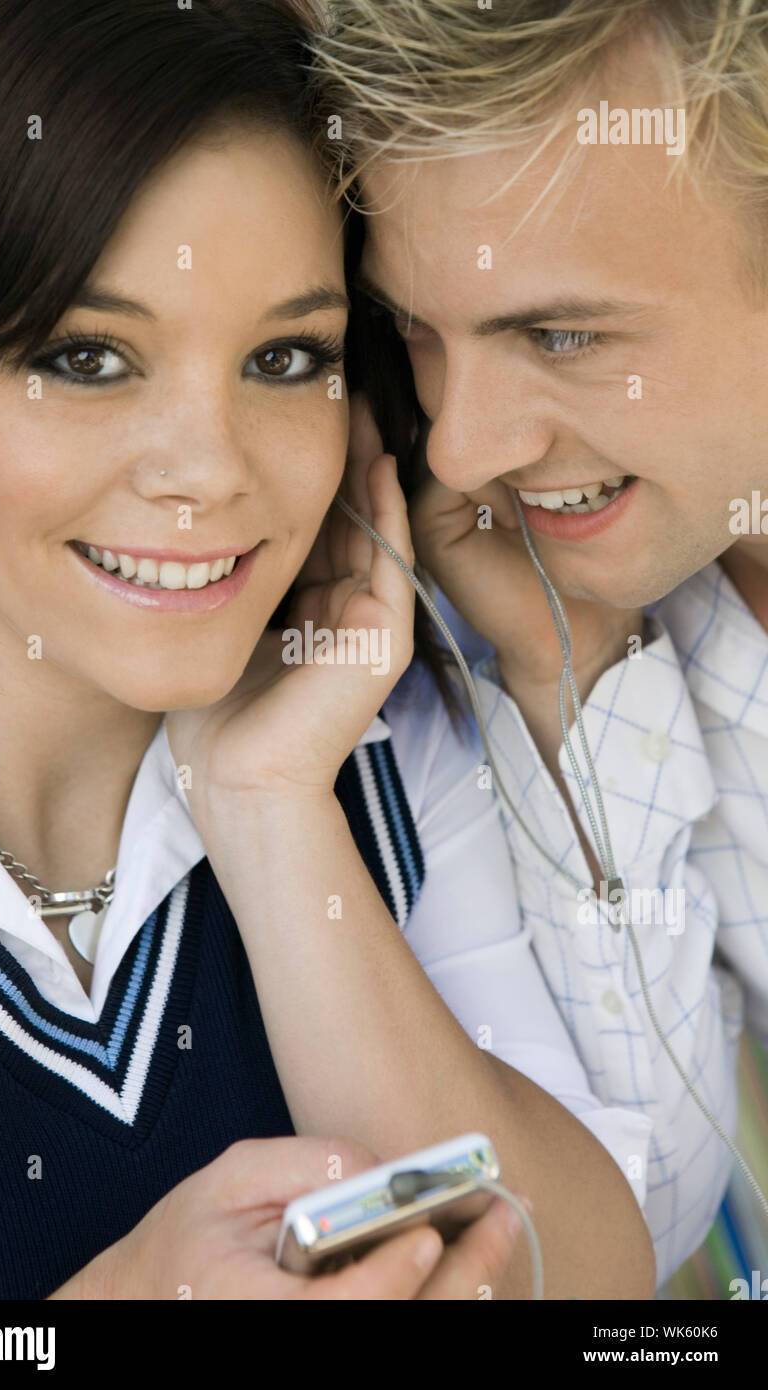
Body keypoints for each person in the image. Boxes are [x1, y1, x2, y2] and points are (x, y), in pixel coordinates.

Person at [0, 0, 654, 1300]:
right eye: (88, 357)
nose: (211, 472)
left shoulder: (377, 746)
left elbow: (594, 1284)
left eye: (284, 357)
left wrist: (263, 806)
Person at [312, 0, 768, 1285]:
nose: (459, 446)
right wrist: (570, 678)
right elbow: (643, 1227)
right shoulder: (603, 585)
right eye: (417, 329)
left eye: (561, 334)